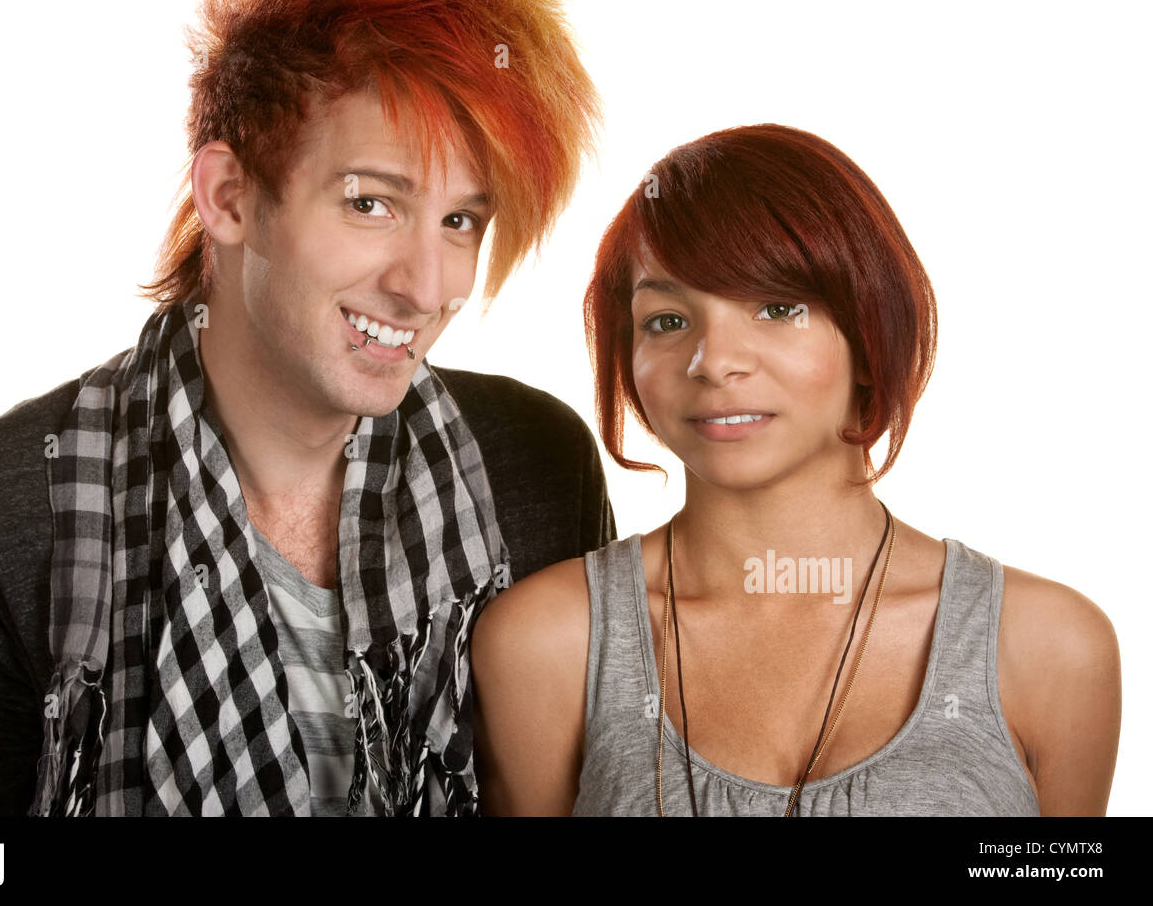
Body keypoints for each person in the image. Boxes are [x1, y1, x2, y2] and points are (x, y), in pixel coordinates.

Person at [0, 0, 612, 817]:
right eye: (370, 203)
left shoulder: (533, 466)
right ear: (228, 196)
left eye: (461, 222)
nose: (427, 285)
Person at [471, 123, 1121, 816]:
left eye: (779, 309)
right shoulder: (545, 644)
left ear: (871, 340)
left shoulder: (1049, 648)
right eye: (666, 321)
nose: (714, 361)